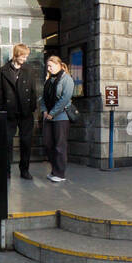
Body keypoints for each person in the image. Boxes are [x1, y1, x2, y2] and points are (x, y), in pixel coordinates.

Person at [0, 43, 42, 181]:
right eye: (23, 55)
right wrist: (2, 109)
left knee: (26, 143)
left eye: (27, 56)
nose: (25, 58)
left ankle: (24, 170)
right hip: (9, 113)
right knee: (7, 142)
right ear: (16, 54)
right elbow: (1, 92)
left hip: (26, 113)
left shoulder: (29, 70)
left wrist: (32, 108)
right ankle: (6, 171)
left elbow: (33, 91)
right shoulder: (3, 70)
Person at [40, 53, 77, 183]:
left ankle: (60, 174)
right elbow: (43, 98)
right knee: (48, 144)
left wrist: (52, 113)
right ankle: (54, 170)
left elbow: (65, 99)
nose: (48, 68)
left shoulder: (67, 79)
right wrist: (44, 111)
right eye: (47, 66)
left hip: (61, 117)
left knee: (60, 146)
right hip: (48, 117)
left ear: (59, 65)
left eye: (50, 66)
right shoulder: (49, 80)